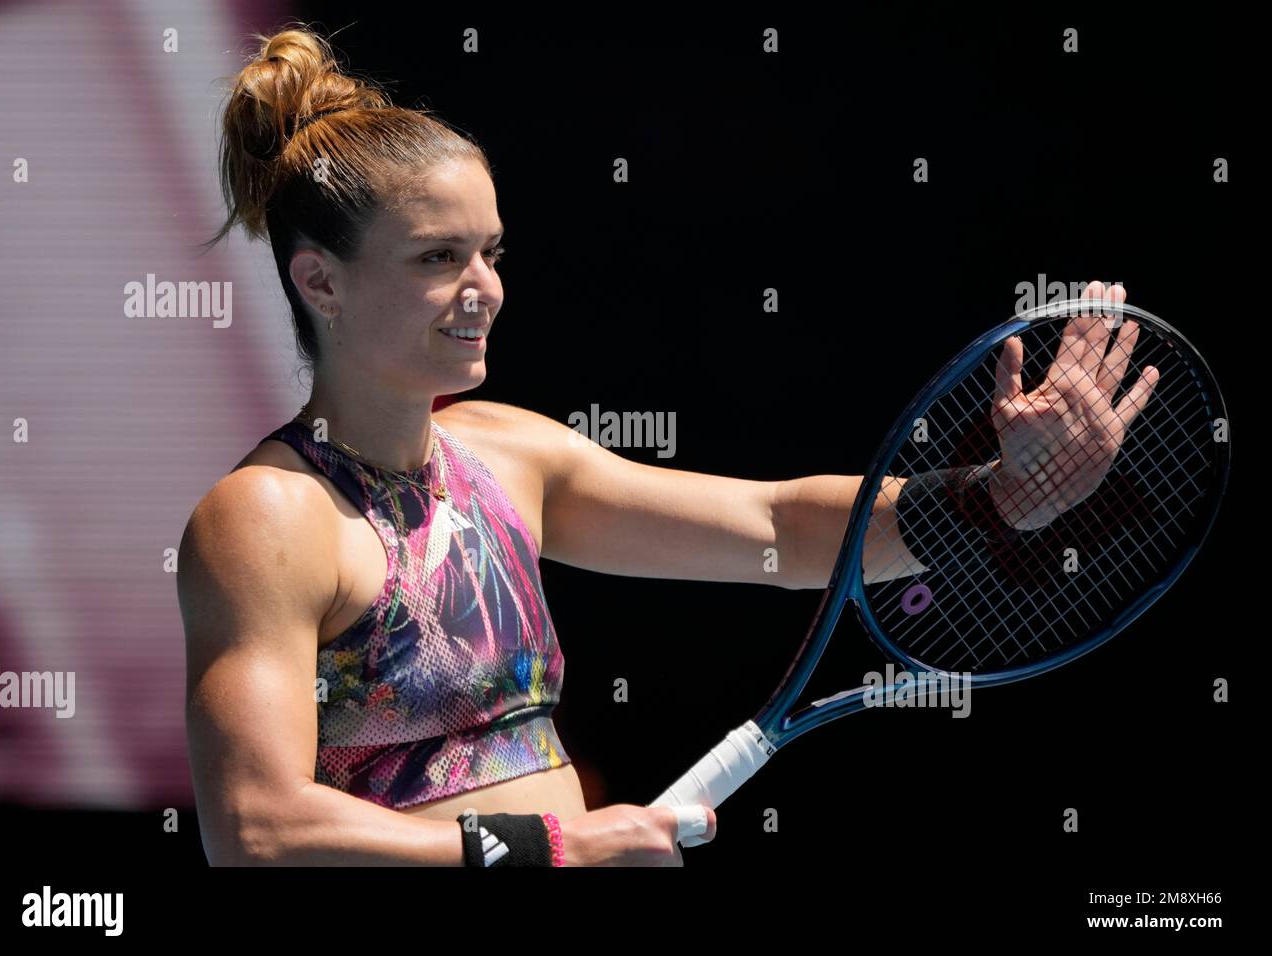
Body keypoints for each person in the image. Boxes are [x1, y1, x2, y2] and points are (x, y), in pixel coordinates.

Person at [178, 25, 1155, 866]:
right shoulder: (266, 515)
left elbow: (772, 524)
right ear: (321, 283)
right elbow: (255, 826)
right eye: (438, 257)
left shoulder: (507, 455)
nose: (486, 287)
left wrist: (992, 497)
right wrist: (548, 845)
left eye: (491, 251)